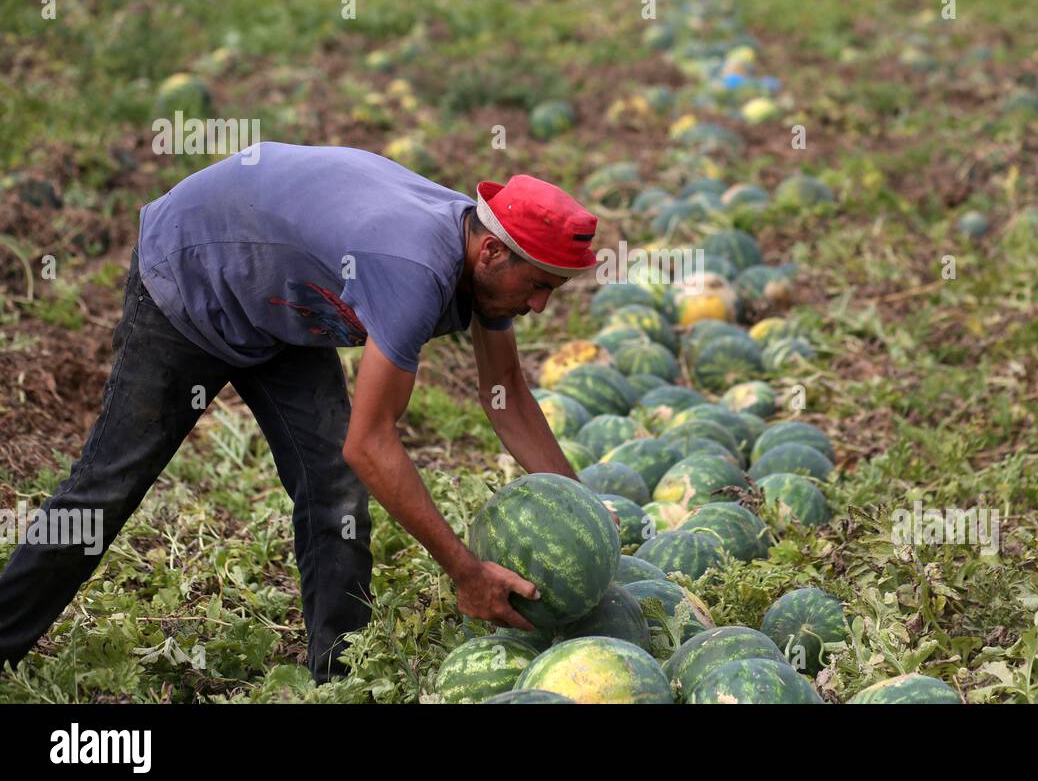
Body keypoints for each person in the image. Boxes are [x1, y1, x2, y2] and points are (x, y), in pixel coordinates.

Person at [0, 143, 600, 684]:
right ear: (493, 250)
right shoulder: (414, 270)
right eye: (540, 285)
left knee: (331, 490)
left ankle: (339, 675)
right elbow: (370, 444)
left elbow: (507, 394)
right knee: (109, 486)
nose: (541, 306)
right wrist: (465, 571)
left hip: (279, 301)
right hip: (194, 272)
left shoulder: (488, 265)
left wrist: (584, 514)